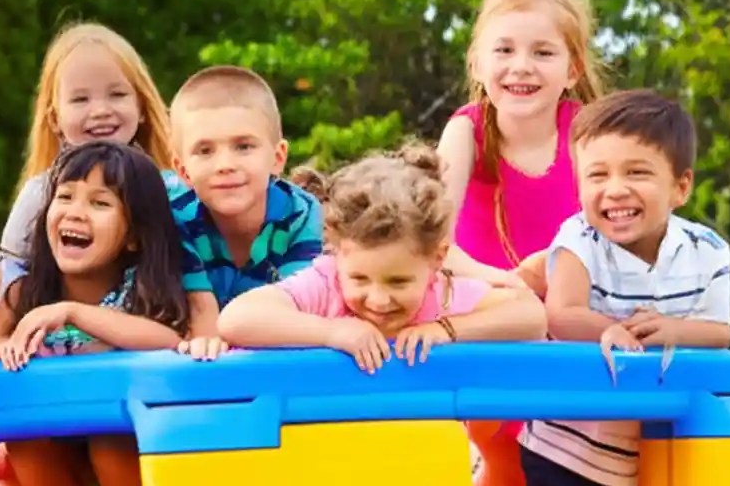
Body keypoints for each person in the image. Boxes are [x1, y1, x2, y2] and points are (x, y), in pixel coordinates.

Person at [0, 23, 175, 486]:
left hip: (138, 431)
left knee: (109, 440)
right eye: (80, 98)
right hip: (61, 427)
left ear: (142, 105)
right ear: (54, 117)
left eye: (115, 94)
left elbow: (178, 325)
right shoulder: (39, 205)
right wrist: (13, 351)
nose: (99, 111)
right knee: (19, 441)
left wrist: (82, 324)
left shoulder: (168, 194)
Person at [520, 89, 730, 486]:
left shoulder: (708, 251)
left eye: (636, 172)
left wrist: (673, 331)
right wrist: (606, 328)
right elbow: (563, 314)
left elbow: (719, 332)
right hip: (565, 450)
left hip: (649, 461)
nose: (614, 190)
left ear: (680, 186)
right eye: (596, 176)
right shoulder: (577, 239)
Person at [435, 0, 605, 486]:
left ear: (573, 67)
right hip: (480, 320)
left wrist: (554, 275)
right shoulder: (466, 132)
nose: (521, 66)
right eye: (504, 49)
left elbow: (608, 234)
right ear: (479, 63)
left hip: (563, 322)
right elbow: (436, 241)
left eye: (543, 53)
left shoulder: (585, 133)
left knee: (516, 475)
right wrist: (506, 282)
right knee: (483, 460)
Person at [218, 141, 546, 368]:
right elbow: (236, 319)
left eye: (398, 281)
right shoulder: (326, 284)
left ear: (436, 259)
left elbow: (532, 316)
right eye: (360, 278)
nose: (378, 299)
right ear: (337, 252)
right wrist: (332, 333)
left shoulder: (442, 295)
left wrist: (445, 330)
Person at [167, 65, 324, 361]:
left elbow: (296, 305)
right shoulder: (176, 219)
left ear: (277, 158)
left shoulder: (301, 215)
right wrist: (209, 343)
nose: (225, 164)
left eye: (243, 146)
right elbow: (202, 315)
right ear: (183, 170)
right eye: (205, 151)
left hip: (283, 351)